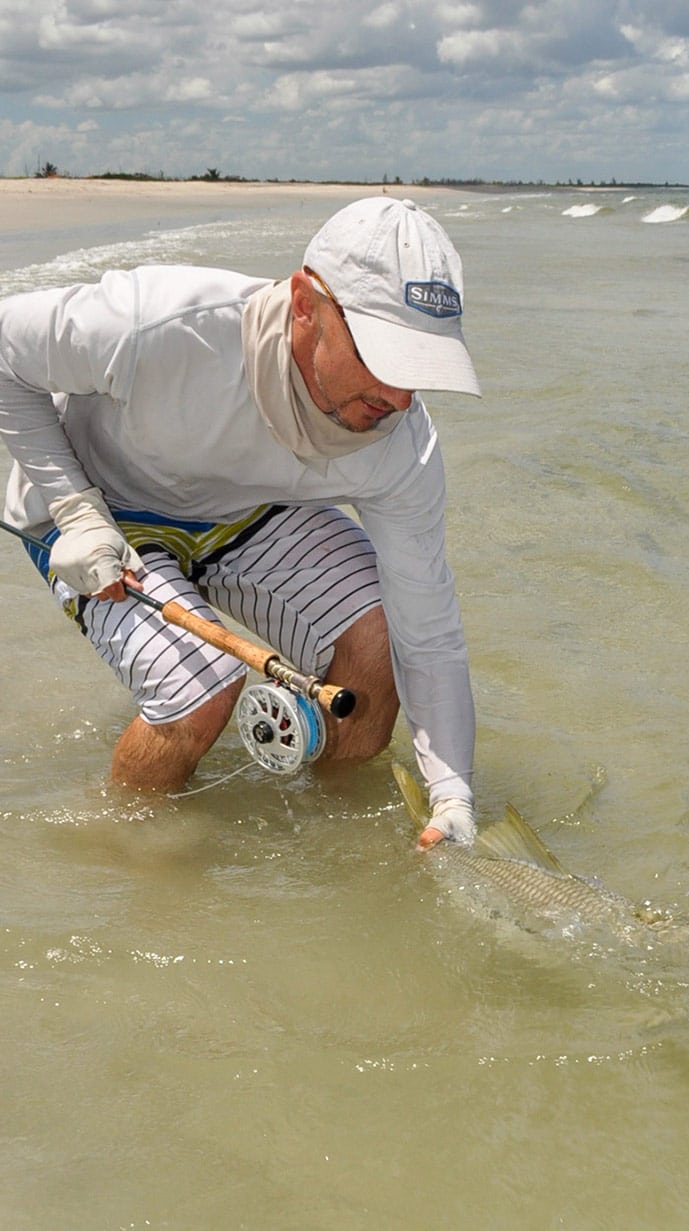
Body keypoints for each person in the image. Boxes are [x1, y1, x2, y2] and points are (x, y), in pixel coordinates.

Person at [0, 196, 479, 847]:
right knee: (199, 687)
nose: (398, 399)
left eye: (421, 366)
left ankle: (321, 841)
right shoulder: (164, 321)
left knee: (382, 642)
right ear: (307, 304)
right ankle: (119, 856)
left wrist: (452, 795)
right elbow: (6, 350)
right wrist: (75, 510)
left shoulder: (403, 444)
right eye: (383, 355)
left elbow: (431, 633)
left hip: (241, 516)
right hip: (95, 506)